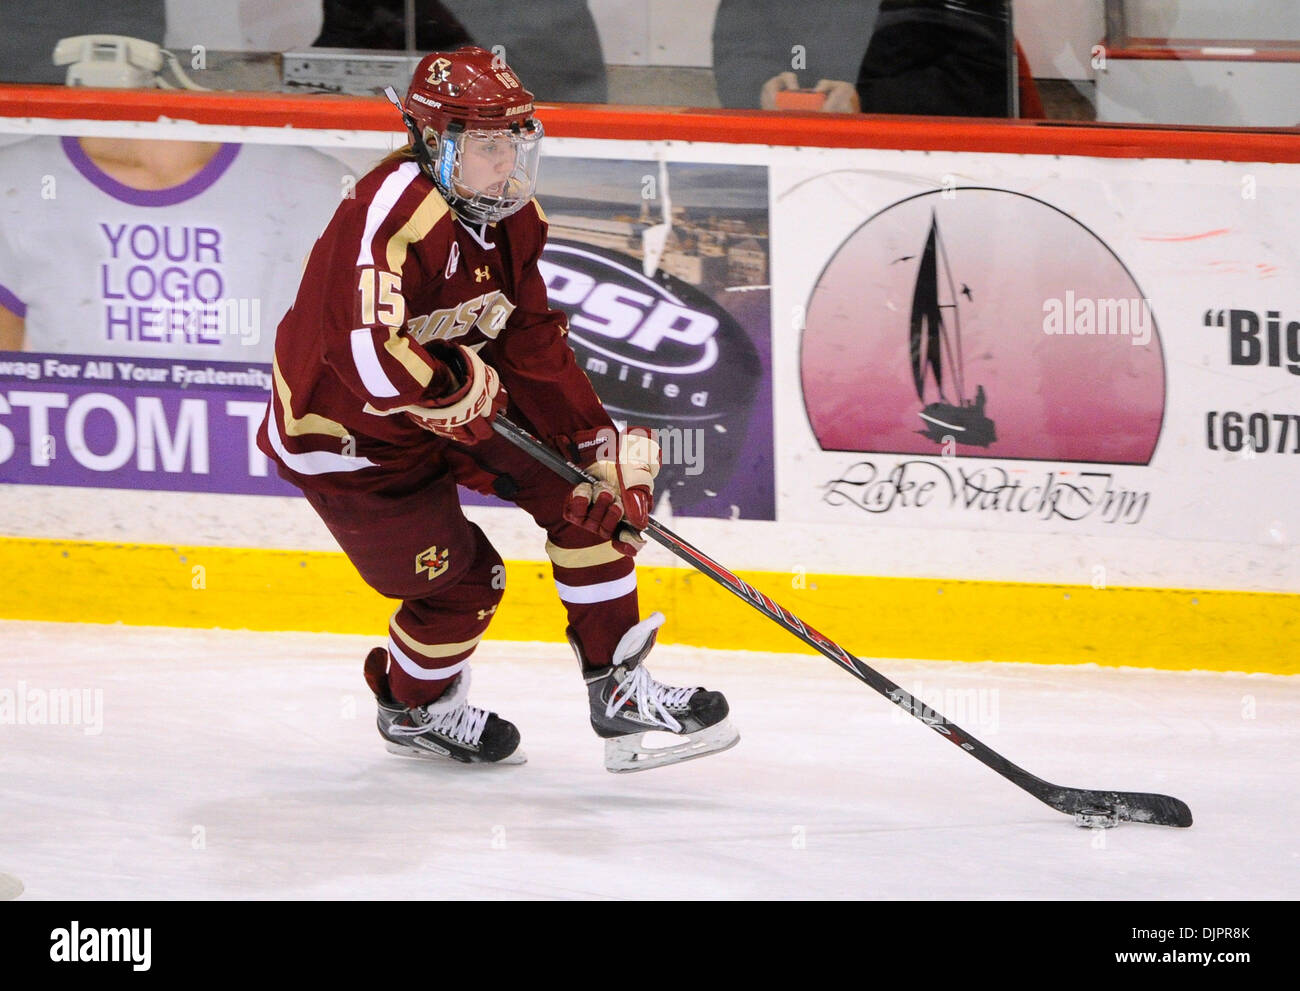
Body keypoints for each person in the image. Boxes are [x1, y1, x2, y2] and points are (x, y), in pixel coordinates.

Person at [256, 47, 737, 770]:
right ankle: (413, 706)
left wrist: (597, 447)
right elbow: (359, 354)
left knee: (591, 497)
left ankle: (620, 688)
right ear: (433, 139)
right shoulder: (386, 213)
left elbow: (532, 343)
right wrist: (451, 387)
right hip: (351, 443)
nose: (506, 157)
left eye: (514, 138)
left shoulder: (512, 216)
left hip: (453, 411)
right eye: (486, 142)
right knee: (466, 586)